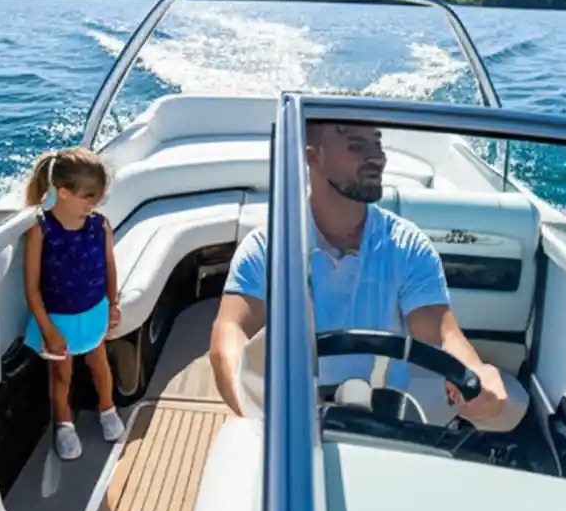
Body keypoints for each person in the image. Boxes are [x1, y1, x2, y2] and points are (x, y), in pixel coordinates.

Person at [208, 121, 508, 421]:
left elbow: (442, 334)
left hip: (384, 418)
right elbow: (231, 334)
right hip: (290, 421)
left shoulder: (407, 245)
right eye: (356, 146)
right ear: (313, 157)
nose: (377, 157)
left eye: (377, 143)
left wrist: (476, 371)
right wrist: (254, 407)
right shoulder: (267, 246)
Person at [22, 148, 125, 460]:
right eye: (88, 197)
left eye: (97, 198)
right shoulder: (41, 230)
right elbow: (32, 288)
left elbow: (109, 265)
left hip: (94, 311)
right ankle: (63, 424)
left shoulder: (100, 225)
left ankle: (108, 408)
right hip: (59, 319)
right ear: (63, 193)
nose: (93, 205)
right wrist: (47, 329)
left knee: (100, 363)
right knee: (61, 375)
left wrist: (113, 304)